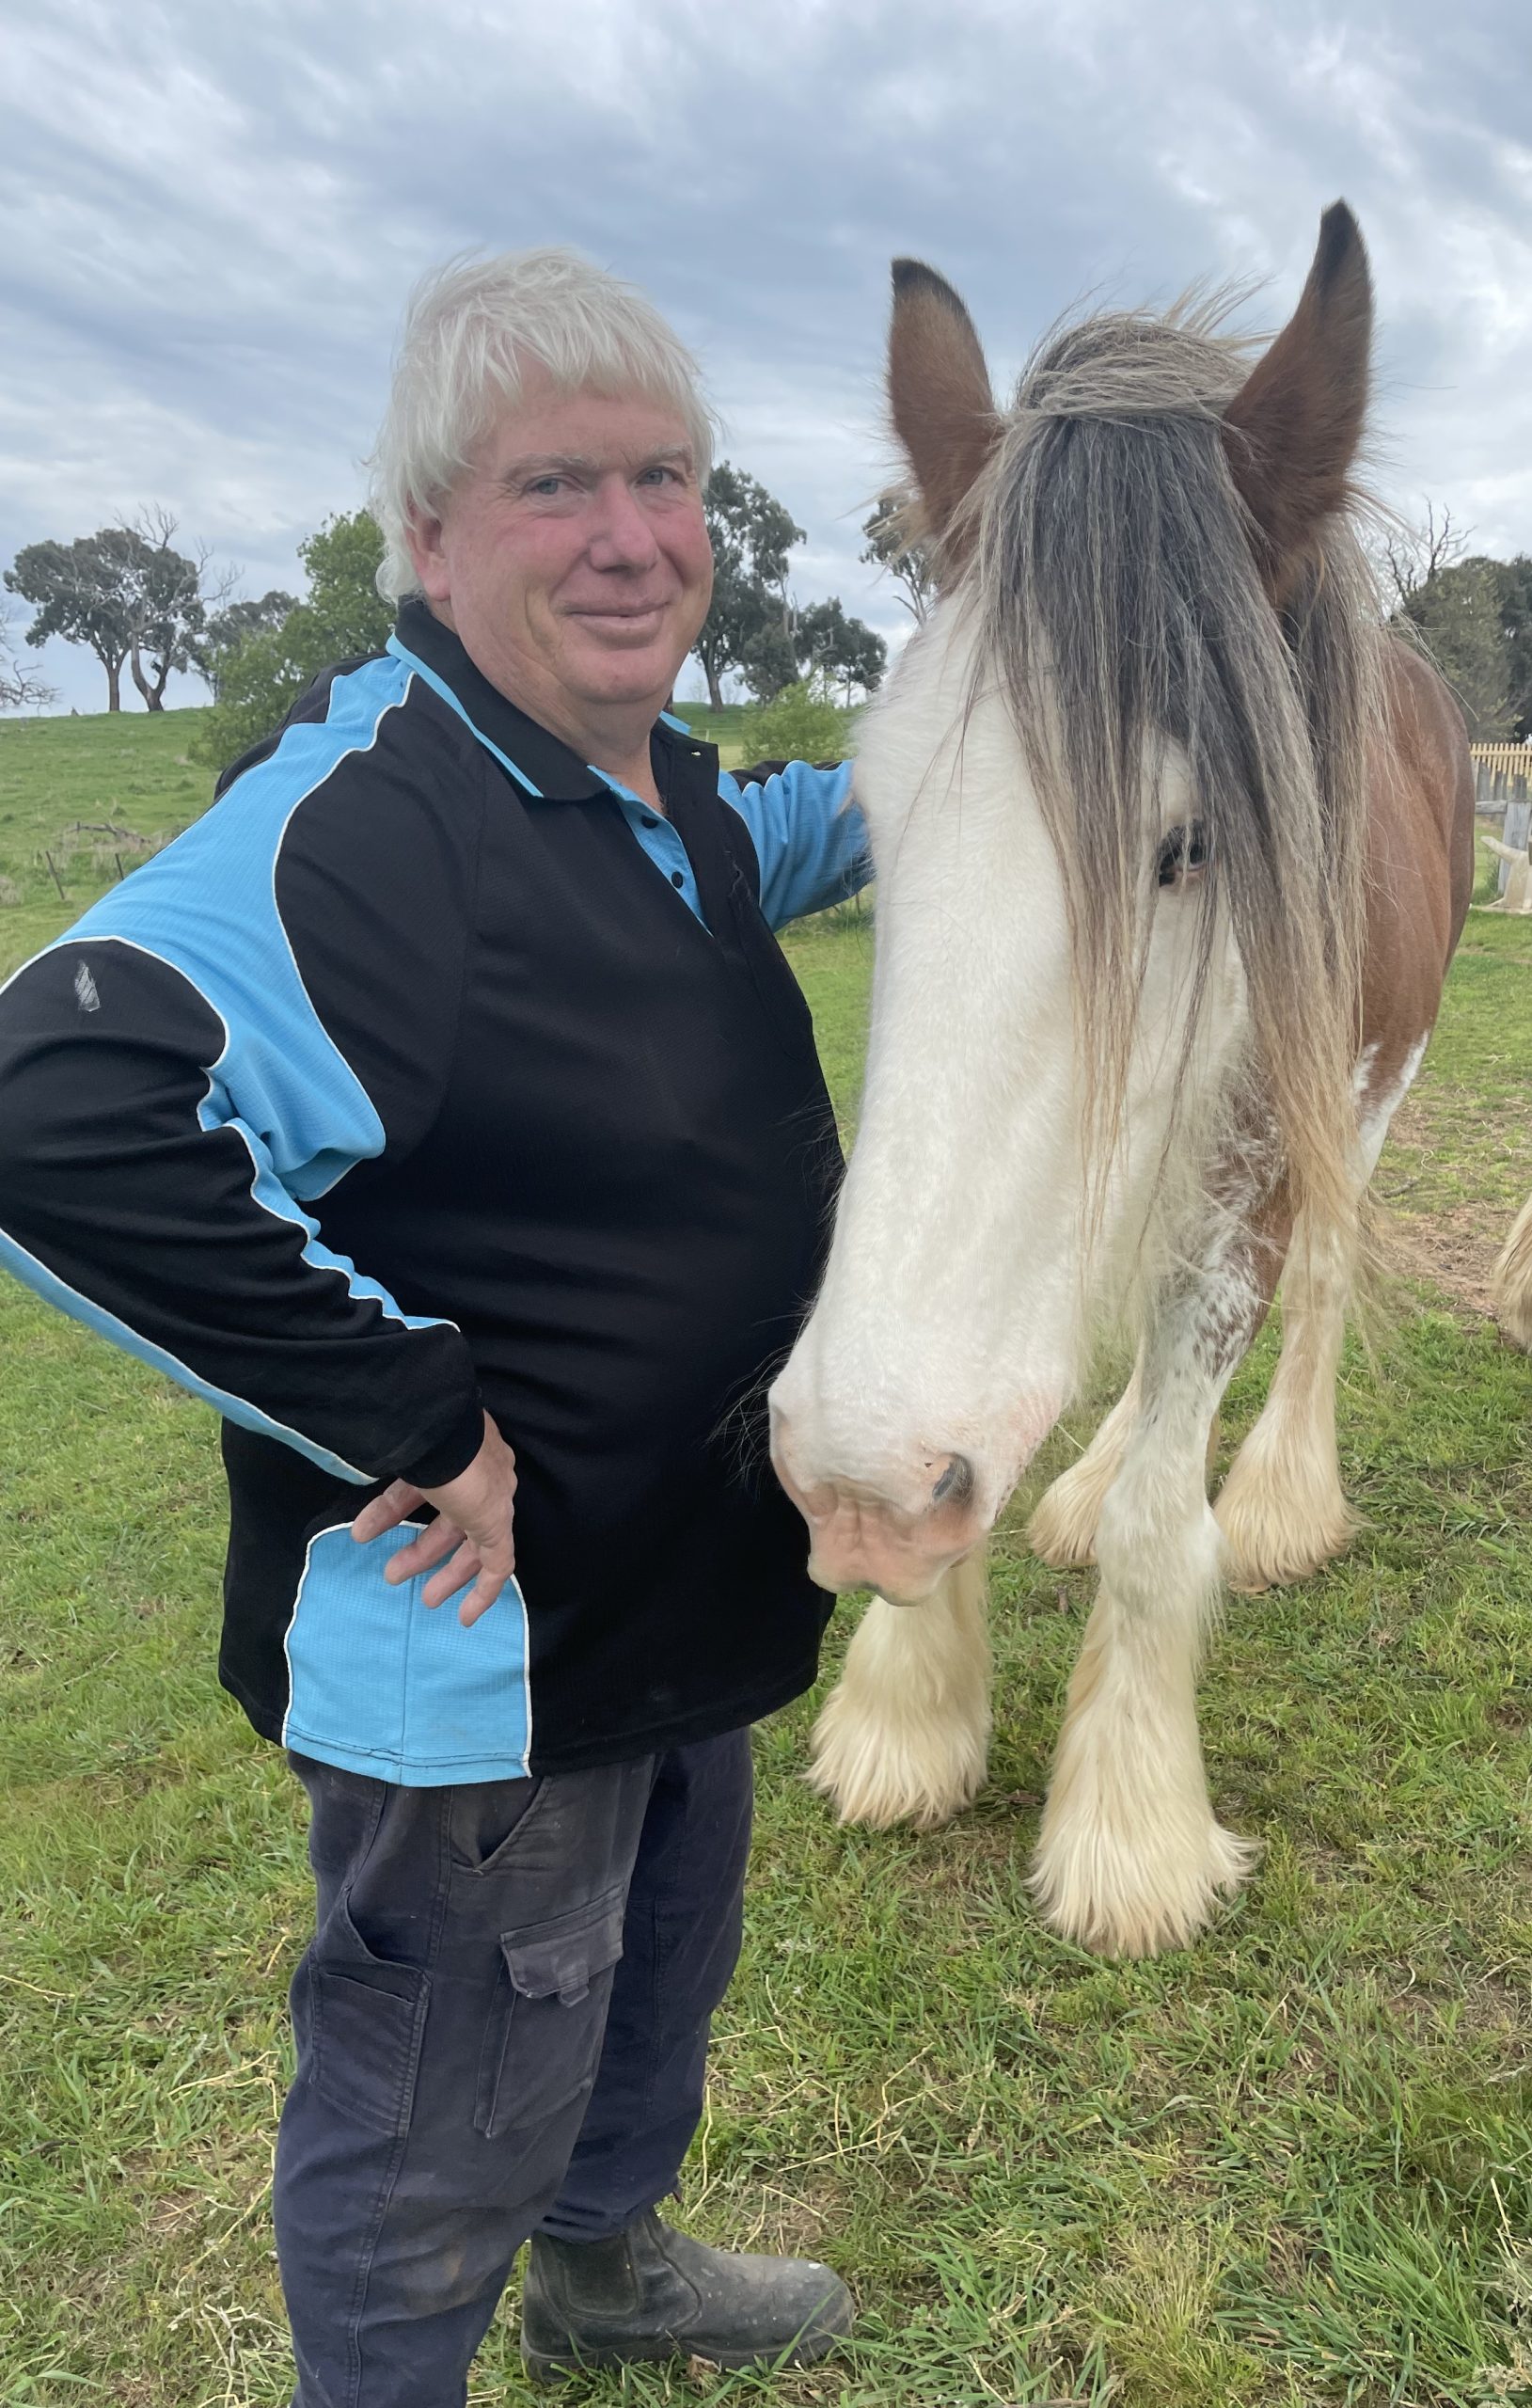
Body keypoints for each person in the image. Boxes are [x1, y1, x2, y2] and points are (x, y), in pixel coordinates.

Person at [0, 249, 870, 2405]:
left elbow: (818, 818)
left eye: (663, 476)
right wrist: (412, 1403)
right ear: (427, 536)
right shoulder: (380, 812)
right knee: (431, 2102)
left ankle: (605, 2264)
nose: (627, 534)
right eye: (550, 483)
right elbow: (56, 1106)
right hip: (478, 1656)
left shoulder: (654, 791)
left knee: (646, 1978)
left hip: (673, 1586)